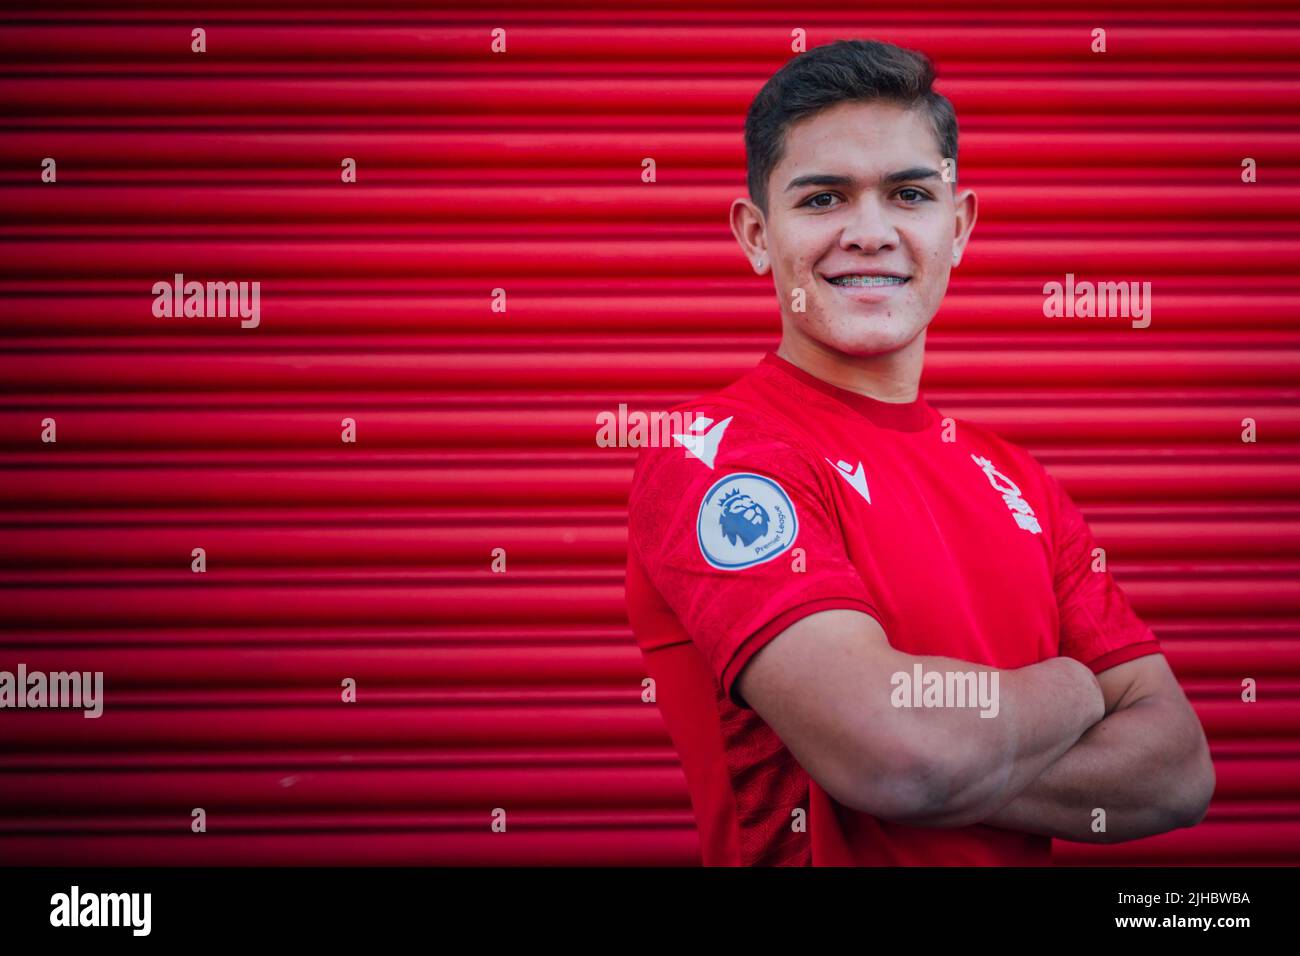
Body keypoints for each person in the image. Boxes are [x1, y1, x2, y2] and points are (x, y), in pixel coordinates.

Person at [623, 38, 1215, 865]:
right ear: (757, 235)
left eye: (908, 193)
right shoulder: (715, 455)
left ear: (958, 227)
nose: (870, 234)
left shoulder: (1021, 483)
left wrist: (933, 760)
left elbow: (1180, 773)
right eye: (824, 199)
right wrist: (1076, 691)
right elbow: (896, 755)